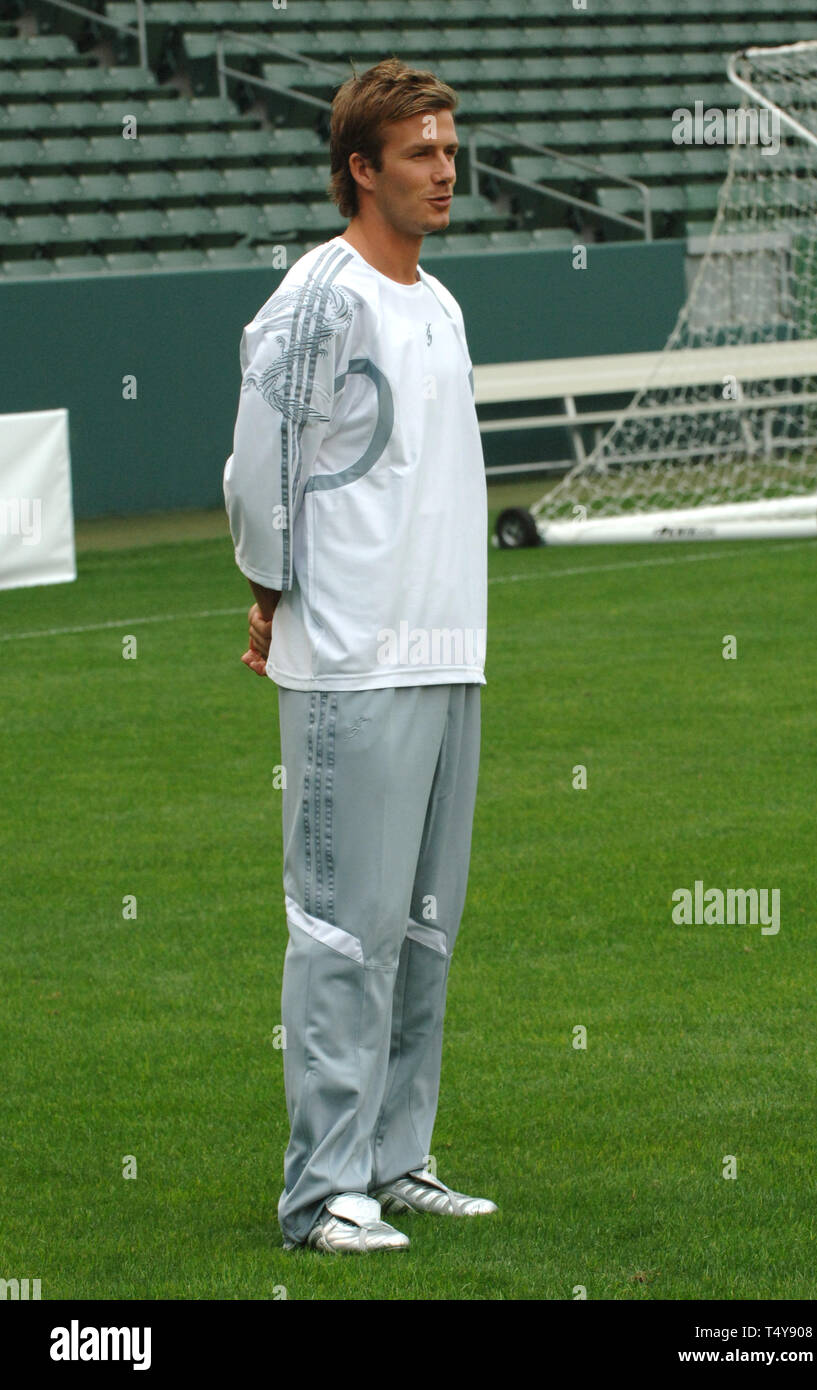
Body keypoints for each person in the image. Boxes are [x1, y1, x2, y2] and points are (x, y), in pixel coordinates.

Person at [223, 57, 496, 1254]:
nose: (445, 169)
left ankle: (396, 1158)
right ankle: (317, 1191)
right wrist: (267, 590)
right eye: (420, 154)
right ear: (359, 170)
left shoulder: (438, 304)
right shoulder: (316, 298)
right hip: (352, 657)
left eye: (448, 148)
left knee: (422, 924)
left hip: (447, 650)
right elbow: (258, 463)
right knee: (342, 927)